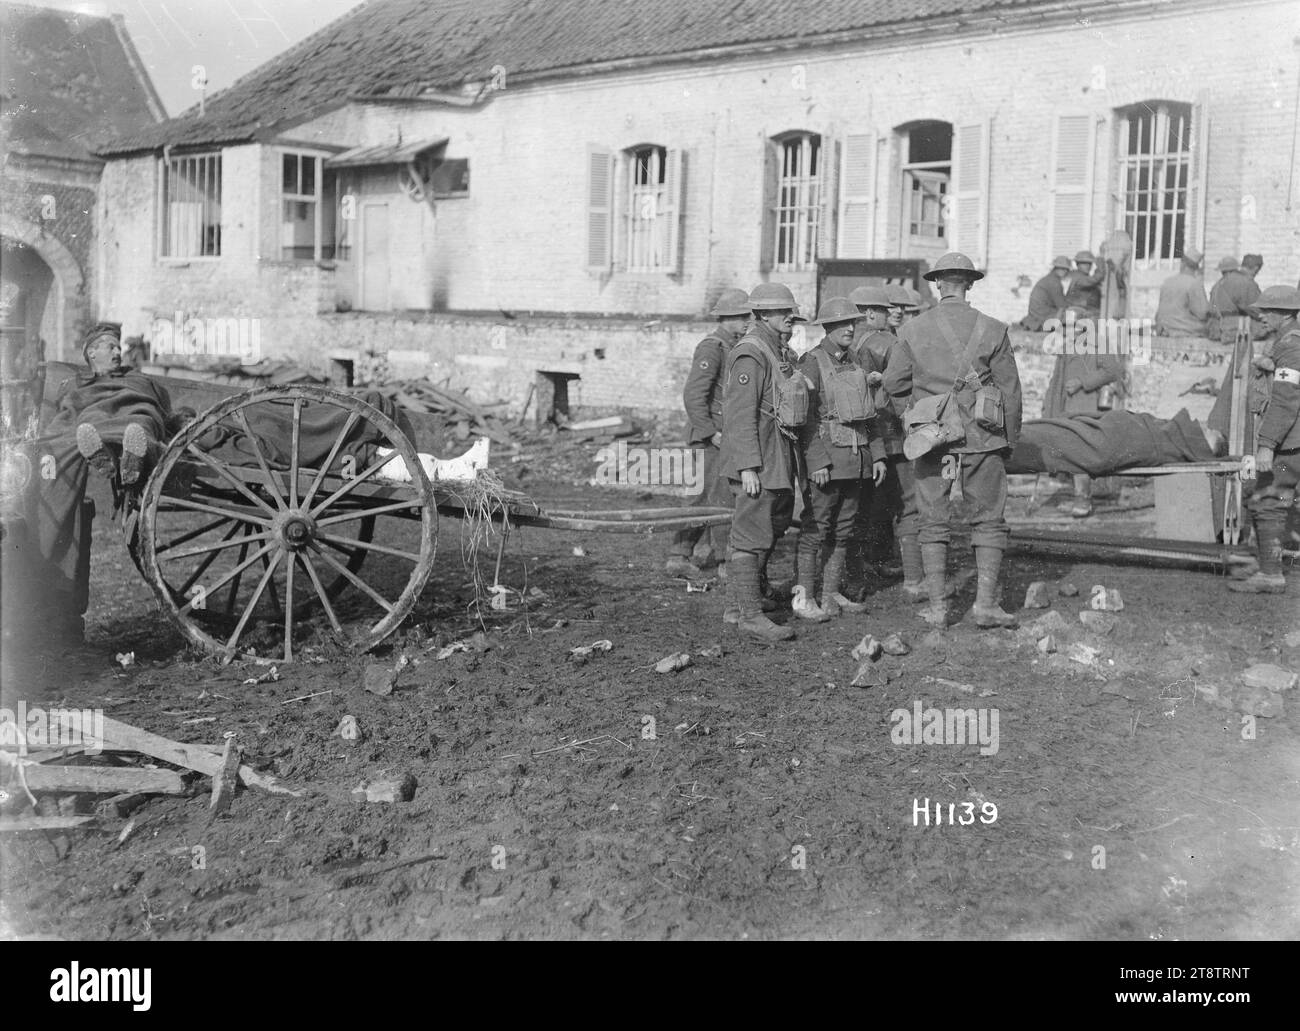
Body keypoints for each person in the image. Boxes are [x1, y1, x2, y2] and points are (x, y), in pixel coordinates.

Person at [883, 251, 1024, 629]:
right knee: (989, 519)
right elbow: (1010, 393)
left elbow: (894, 386)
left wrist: (914, 420)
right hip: (984, 437)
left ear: (937, 284)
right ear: (970, 284)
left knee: (932, 520)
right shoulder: (995, 329)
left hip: (935, 440)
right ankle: (985, 606)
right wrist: (1008, 441)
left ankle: (938, 609)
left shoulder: (912, 331)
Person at [719, 282, 807, 642]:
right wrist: (747, 466)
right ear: (761, 315)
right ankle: (749, 617)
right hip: (758, 458)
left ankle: (737, 605)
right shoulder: (750, 353)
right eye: (781, 311)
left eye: (790, 310)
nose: (790, 316)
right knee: (750, 533)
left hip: (776, 454)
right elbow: (738, 415)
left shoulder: (776, 349)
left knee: (769, 526)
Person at [795, 297, 885, 620]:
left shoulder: (860, 361)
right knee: (815, 528)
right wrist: (816, 461)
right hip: (828, 462)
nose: (850, 328)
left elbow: (870, 412)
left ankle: (830, 594)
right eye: (842, 323)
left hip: (856, 459)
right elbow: (804, 420)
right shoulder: (812, 362)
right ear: (827, 327)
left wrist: (877, 455)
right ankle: (804, 598)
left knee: (844, 529)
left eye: (854, 323)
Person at [665, 288, 749, 578]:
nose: (747, 321)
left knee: (721, 496)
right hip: (710, 438)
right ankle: (679, 556)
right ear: (728, 318)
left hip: (724, 436)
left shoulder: (734, 346)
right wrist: (710, 431)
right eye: (742, 316)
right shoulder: (713, 347)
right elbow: (693, 395)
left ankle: (715, 555)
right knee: (700, 497)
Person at [1229, 285, 1300, 594]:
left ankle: (1271, 574)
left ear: (1284, 315)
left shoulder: (1292, 348)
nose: (1261, 317)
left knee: (1269, 501)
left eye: (1267, 312)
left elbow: (1286, 401)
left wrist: (1267, 444)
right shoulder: (1286, 345)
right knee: (1266, 498)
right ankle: (1267, 564)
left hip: (1290, 441)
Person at [1041, 319, 1126, 518]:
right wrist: (1048, 405)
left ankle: (1083, 500)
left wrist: (1082, 382)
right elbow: (1056, 379)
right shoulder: (1066, 347)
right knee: (1070, 453)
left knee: (1080, 452)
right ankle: (1077, 496)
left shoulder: (1098, 344)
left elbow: (1114, 371)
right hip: (1064, 406)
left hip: (1085, 406)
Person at [1154, 248, 1209, 337]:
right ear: (1196, 268)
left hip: (1163, 329)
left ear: (1182, 264)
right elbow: (1202, 313)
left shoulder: (1167, 282)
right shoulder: (1194, 284)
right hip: (1184, 331)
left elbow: (1159, 313)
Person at [1208, 256, 1263, 343]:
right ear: (1236, 268)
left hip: (1215, 329)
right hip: (1231, 327)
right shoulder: (1242, 281)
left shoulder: (1217, 284)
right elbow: (1256, 310)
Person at [1022, 256, 1070, 331]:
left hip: (1036, 312)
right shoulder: (1054, 282)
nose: (1064, 271)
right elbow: (1061, 305)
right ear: (1055, 268)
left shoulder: (1049, 278)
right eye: (1061, 268)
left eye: (1066, 269)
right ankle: (1052, 326)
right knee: (1072, 315)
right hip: (1042, 313)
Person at [1063, 250, 1103, 317]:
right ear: (1077, 264)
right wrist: (1101, 265)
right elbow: (1094, 280)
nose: (1088, 266)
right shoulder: (1076, 276)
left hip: (1082, 310)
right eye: (1084, 263)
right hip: (1075, 311)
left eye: (1089, 263)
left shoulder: (1084, 276)